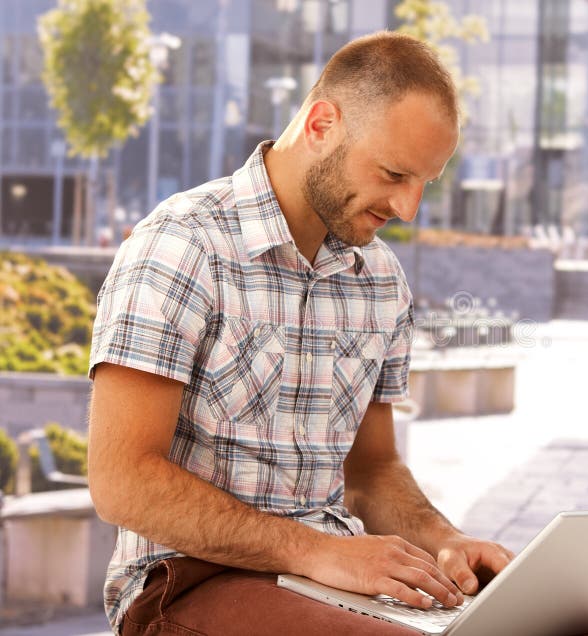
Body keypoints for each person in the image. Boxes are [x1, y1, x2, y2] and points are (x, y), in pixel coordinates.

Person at [87, 32, 514, 636]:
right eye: (394, 172)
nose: (409, 207)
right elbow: (121, 482)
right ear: (321, 124)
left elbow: (372, 471)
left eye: (426, 181)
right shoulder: (183, 245)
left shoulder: (381, 279)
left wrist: (446, 541)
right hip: (184, 584)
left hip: (330, 585)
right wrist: (318, 552)